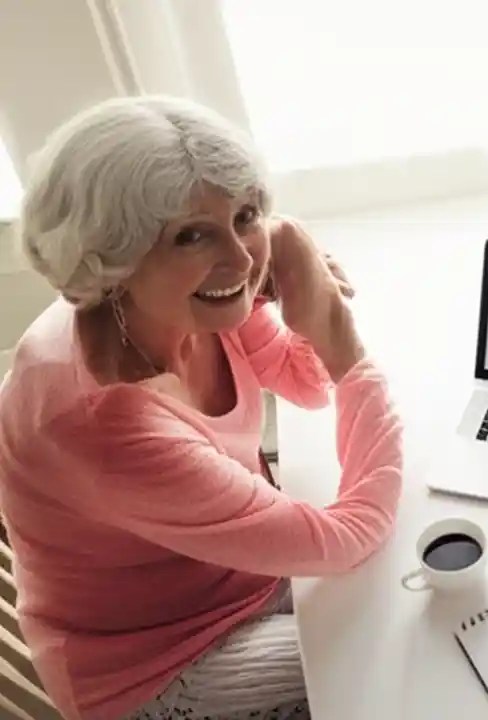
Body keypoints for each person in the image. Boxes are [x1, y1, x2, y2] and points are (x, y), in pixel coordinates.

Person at [0, 96, 403, 720]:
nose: (241, 259)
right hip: (167, 661)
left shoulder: (179, 302)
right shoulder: (103, 425)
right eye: (192, 235)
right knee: (401, 648)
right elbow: (346, 537)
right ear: (114, 256)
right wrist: (343, 342)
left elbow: (303, 383)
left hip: (246, 576)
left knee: (414, 593)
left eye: (246, 215)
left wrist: (293, 270)